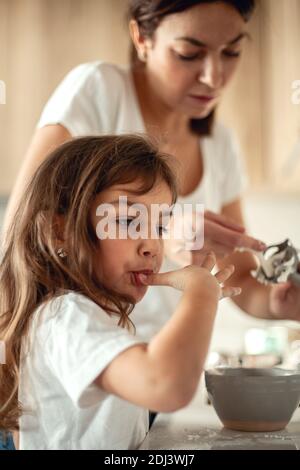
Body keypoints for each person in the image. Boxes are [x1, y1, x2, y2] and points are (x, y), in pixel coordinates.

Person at [4, 0, 300, 327]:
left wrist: (277, 301)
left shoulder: (220, 143)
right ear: (141, 37)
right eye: (189, 53)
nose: (213, 77)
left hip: (161, 356)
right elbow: (22, 232)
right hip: (87, 352)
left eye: (231, 52)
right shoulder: (99, 91)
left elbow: (240, 274)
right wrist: (162, 230)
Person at [0, 134, 241, 450]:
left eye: (159, 227)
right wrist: (201, 295)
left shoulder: (96, 317)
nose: (152, 247)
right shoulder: (64, 317)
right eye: (129, 221)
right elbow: (165, 385)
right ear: (59, 232)